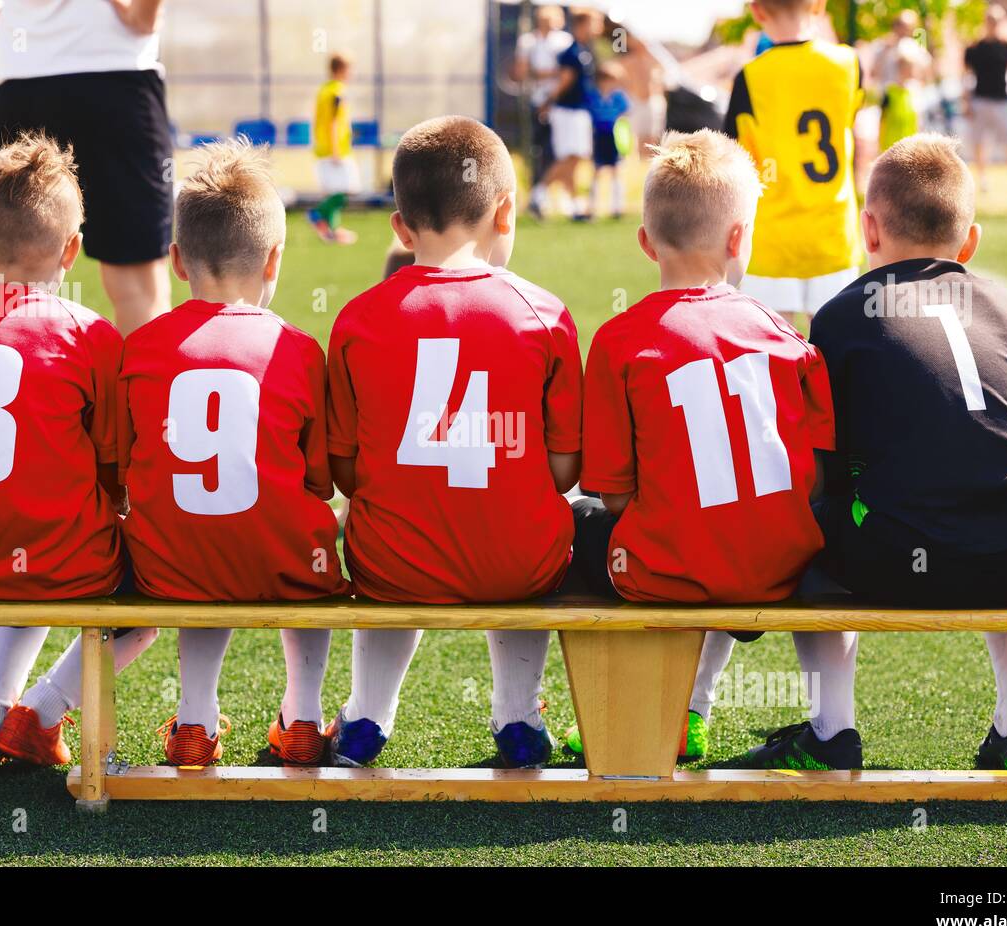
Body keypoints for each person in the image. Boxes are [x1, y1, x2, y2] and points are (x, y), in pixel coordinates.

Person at [774, 134, 1007, 771]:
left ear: (869, 230)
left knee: (807, 524)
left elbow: (827, 473)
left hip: (902, 557)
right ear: (970, 243)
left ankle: (831, 733)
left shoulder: (841, 317)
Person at [561, 130, 836, 762]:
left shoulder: (620, 339)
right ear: (740, 238)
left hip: (667, 571)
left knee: (580, 528)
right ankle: (690, 709)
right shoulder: (784, 335)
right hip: (782, 566)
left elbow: (615, 493)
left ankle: (613, 718)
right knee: (717, 519)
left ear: (645, 242)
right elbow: (818, 477)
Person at [324, 116, 582, 769]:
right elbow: (562, 471)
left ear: (402, 229)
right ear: (504, 212)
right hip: (520, 564)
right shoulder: (544, 313)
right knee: (529, 517)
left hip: (393, 565)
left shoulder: (358, 317)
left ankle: (366, 719)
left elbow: (347, 472)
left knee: (390, 518)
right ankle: (519, 717)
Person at [0, 134, 158, 774]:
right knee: (157, 578)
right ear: (74, 249)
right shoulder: (89, 333)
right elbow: (113, 469)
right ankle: (43, 711)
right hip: (56, 561)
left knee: (32, 533)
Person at [107, 140, 350, 767]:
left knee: (196, 540)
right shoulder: (297, 348)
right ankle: (303, 716)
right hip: (283, 563)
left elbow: (126, 467)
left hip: (169, 566)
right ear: (274, 260)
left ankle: (193, 721)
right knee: (311, 538)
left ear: (178, 260)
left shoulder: (141, 347)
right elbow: (320, 481)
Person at [0, 0, 173, 334]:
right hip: (115, 77)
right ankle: (140, 387)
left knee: (11, 280)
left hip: (25, 83)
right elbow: (141, 19)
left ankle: (17, 385)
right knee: (137, 285)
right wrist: (143, 15)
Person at [724, 0, 863, 321]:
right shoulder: (848, 63)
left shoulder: (751, 76)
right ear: (818, 5)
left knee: (771, 354)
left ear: (758, 11)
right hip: (833, 235)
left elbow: (734, 156)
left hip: (773, 239)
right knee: (835, 354)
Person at [540, 7, 605, 220]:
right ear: (582, 24)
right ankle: (538, 195)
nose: (598, 27)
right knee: (572, 156)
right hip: (569, 112)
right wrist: (548, 102)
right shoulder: (573, 52)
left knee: (574, 160)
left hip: (578, 111)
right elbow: (565, 81)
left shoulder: (585, 50)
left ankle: (576, 207)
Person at [513, 5, 573, 218]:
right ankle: (537, 199)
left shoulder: (564, 41)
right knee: (536, 151)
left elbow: (567, 72)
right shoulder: (528, 42)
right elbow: (520, 72)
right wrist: (540, 74)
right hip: (536, 102)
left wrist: (544, 75)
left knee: (560, 152)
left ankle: (559, 196)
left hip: (559, 103)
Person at [963, 5, 1007, 196]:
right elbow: (966, 77)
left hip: (1002, 101)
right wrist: (966, 102)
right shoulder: (974, 48)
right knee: (980, 143)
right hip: (980, 100)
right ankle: (982, 180)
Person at [309, 53, 361, 244]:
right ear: (340, 70)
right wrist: (336, 149)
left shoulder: (324, 89)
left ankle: (333, 231)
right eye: (349, 69)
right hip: (335, 149)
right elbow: (332, 122)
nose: (352, 73)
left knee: (335, 192)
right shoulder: (337, 92)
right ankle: (317, 214)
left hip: (324, 147)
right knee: (346, 189)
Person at [874, 11, 931, 153]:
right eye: (900, 25)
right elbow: (876, 72)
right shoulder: (884, 46)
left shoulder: (916, 46)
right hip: (890, 98)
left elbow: (926, 72)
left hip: (911, 96)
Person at [590, 61, 631, 218]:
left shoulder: (619, 97)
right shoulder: (593, 97)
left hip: (614, 136)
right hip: (599, 136)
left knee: (616, 170)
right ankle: (593, 207)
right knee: (597, 170)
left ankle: (617, 207)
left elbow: (625, 113)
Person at [623, 33, 667, 158]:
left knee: (652, 136)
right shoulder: (628, 61)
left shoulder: (653, 60)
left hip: (651, 102)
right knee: (639, 135)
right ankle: (641, 159)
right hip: (637, 101)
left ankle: (648, 160)